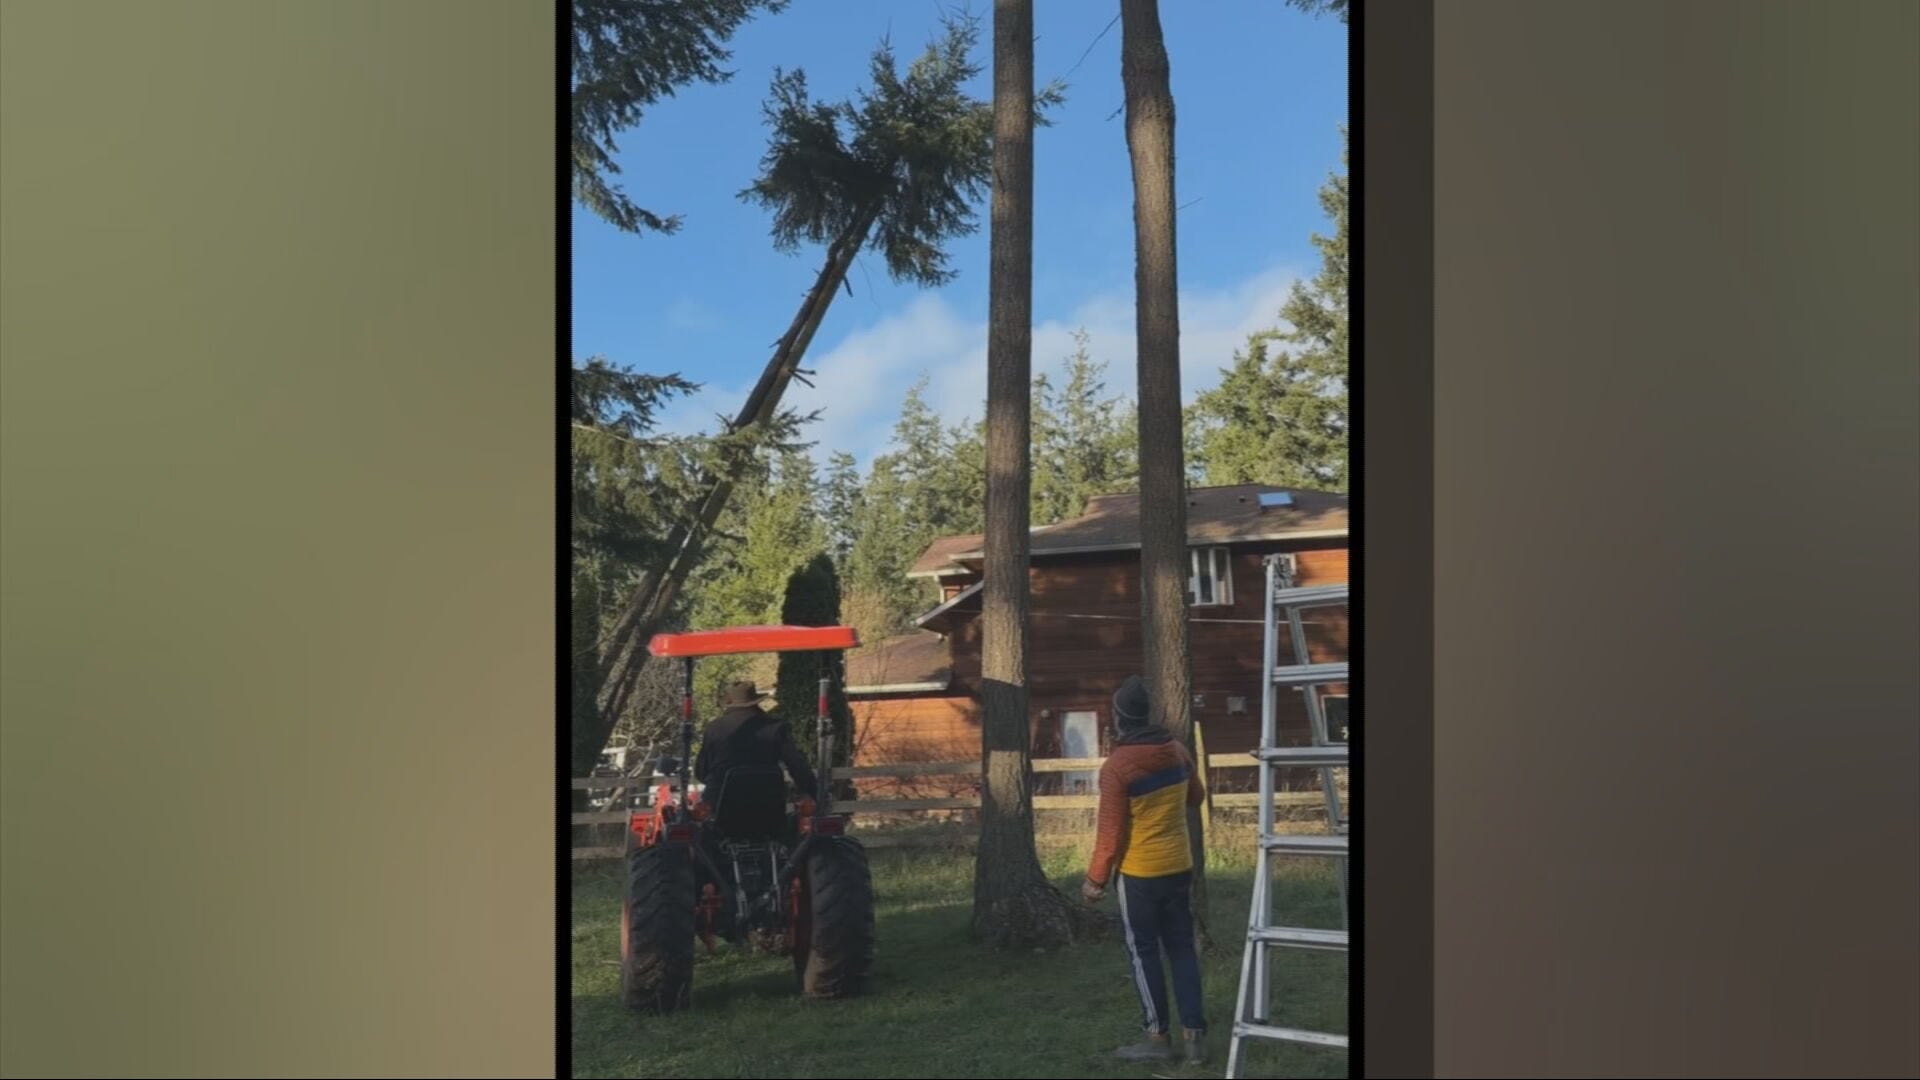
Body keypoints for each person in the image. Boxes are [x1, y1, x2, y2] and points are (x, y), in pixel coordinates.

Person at [1081, 674, 1209, 1067]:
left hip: (1140, 873)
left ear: (1119, 719)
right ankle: (1196, 1041)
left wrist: (1095, 880)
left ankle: (1157, 1038)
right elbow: (1197, 796)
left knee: (1144, 953)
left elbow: (1110, 832)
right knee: (1183, 949)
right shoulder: (1177, 751)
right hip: (1179, 867)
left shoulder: (1118, 767)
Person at [692, 679, 821, 813]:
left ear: (730, 704)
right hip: (767, 802)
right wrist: (812, 791)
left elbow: (702, 771)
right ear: (755, 703)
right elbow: (796, 765)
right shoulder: (776, 727)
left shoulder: (715, 728)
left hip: (721, 804)